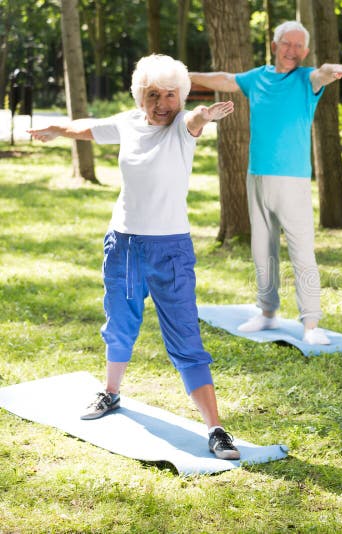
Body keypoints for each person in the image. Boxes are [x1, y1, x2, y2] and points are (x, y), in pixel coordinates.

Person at [28, 54, 241, 460]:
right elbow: (87, 128)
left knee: (185, 336)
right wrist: (56, 129)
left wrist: (204, 114)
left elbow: (194, 121)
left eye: (171, 95)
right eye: (153, 95)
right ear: (140, 96)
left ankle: (215, 428)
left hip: (171, 250)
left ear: (181, 96)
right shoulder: (128, 122)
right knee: (120, 321)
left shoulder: (181, 125)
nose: (163, 102)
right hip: (124, 245)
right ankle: (111, 393)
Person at [189, 21, 342, 345]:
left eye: (298, 46)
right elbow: (225, 80)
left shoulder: (306, 81)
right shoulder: (257, 78)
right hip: (257, 175)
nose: (291, 51)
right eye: (286, 44)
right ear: (274, 44)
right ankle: (267, 313)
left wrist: (331, 70)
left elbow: (321, 73)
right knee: (262, 248)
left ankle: (311, 323)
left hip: (292, 180)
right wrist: (186, 75)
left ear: (305, 52)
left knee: (301, 250)